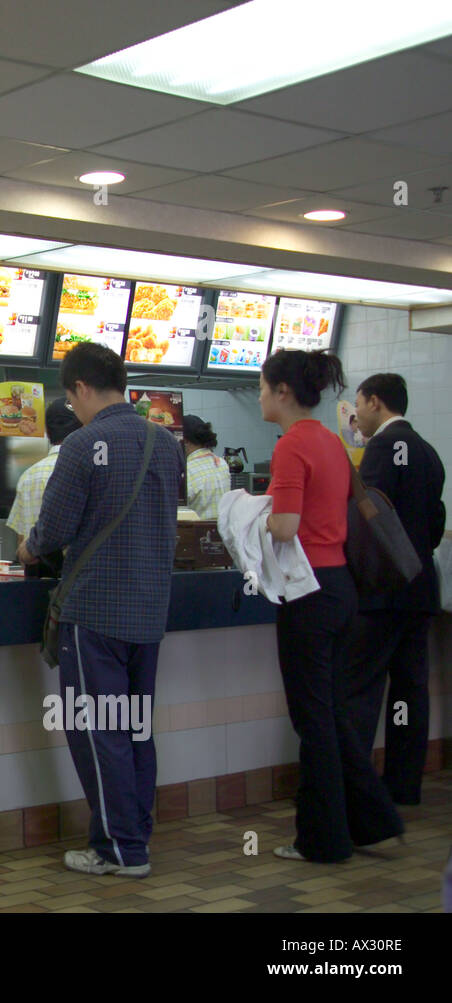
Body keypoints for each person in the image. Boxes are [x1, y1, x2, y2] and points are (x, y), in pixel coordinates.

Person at [17, 343, 183, 878]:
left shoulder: (84, 444)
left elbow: (54, 530)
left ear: (82, 389)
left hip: (95, 615)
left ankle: (119, 848)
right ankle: (135, 833)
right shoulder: (165, 442)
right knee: (134, 728)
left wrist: (28, 547)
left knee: (98, 731)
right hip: (149, 612)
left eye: (72, 396)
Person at [258, 349, 403, 863]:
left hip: (307, 592)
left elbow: (286, 527)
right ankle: (371, 820)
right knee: (333, 714)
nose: (259, 397)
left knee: (313, 720)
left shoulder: (292, 446)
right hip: (342, 587)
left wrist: (252, 519)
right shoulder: (334, 443)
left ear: (282, 392)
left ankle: (321, 840)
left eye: (262, 387)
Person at [343, 373, 445, 805]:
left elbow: (371, 514)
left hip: (384, 591)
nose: (357, 415)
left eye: (360, 405)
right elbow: (435, 521)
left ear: (376, 402)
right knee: (410, 690)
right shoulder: (428, 451)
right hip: (420, 588)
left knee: (363, 690)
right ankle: (404, 786)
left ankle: (358, 789)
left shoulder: (383, 447)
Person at [5, 396, 82, 567]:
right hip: (74, 576)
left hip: (36, 576)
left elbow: (21, 538)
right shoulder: (84, 468)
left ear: (47, 431)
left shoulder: (28, 476)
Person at [180, 414, 228, 519]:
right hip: (222, 531)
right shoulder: (222, 463)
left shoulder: (188, 470)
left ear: (186, 441)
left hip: (199, 533)